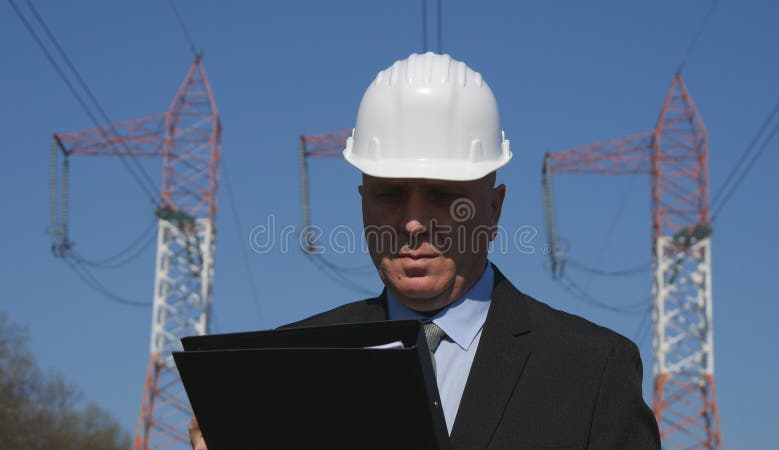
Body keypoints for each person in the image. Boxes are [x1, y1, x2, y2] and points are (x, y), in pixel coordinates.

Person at [190, 52, 660, 449]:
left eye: (441, 194)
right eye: (390, 194)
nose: (414, 223)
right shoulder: (281, 371)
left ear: (493, 208)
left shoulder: (593, 373)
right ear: (362, 203)